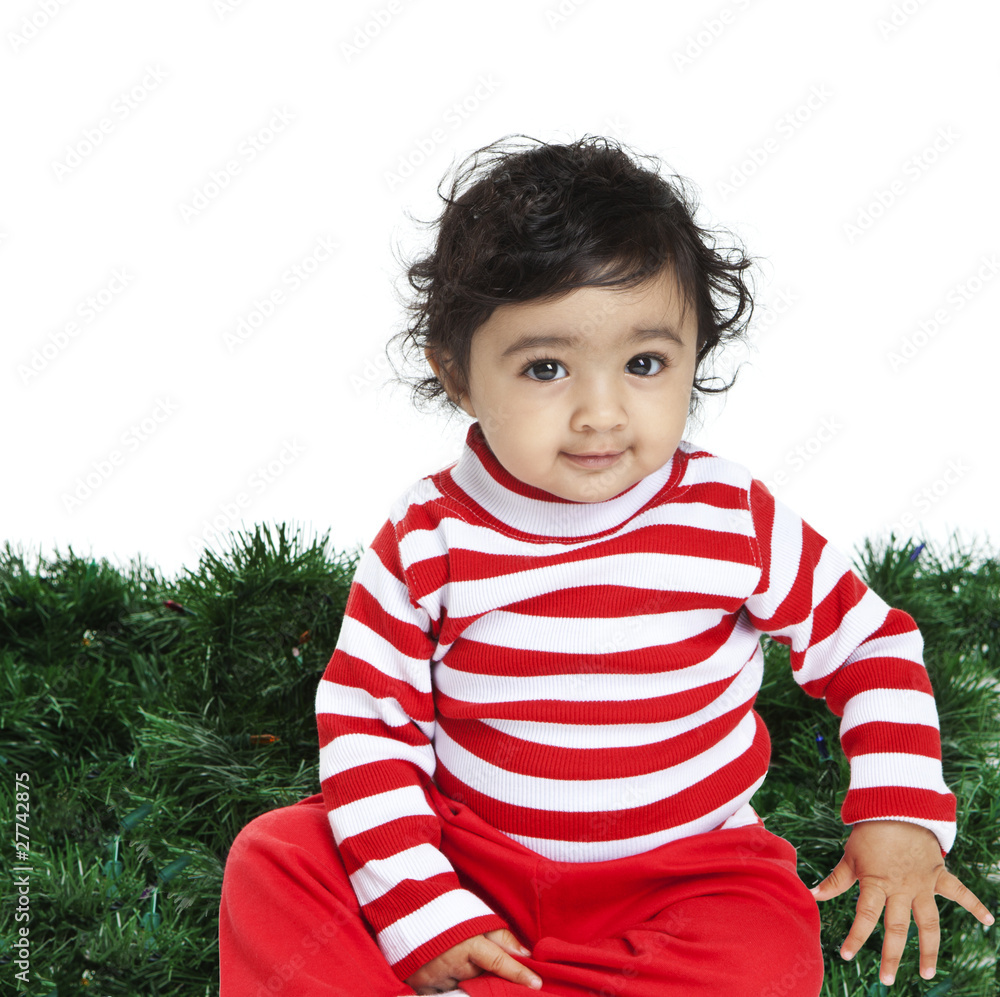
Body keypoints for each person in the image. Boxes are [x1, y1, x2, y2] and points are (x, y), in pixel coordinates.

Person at [218, 134, 993, 997]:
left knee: (766, 955)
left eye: (645, 363)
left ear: (696, 355)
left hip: (685, 873)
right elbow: (370, 724)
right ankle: (461, 964)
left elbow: (868, 646)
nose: (601, 412)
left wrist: (897, 813)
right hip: (471, 854)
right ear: (457, 376)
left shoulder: (732, 517)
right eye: (546, 367)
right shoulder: (430, 535)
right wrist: (427, 907)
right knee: (278, 856)